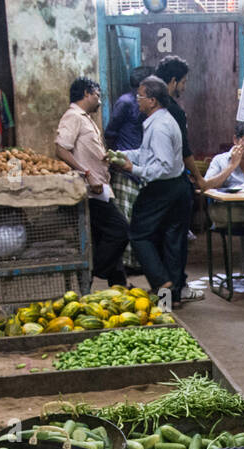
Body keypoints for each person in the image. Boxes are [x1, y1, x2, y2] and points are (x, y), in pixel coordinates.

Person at [110, 76, 186, 302]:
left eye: (140, 96)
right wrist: (123, 155)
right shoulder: (159, 121)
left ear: (152, 100)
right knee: (170, 241)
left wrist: (134, 169)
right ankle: (169, 299)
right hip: (176, 187)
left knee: (139, 234)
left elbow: (162, 166)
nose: (137, 100)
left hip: (163, 188)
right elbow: (147, 153)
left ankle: (162, 283)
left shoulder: (160, 127)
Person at [55, 77, 128, 288]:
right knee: (120, 230)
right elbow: (61, 149)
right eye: (98, 95)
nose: (100, 101)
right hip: (89, 190)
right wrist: (86, 172)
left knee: (101, 237)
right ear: (87, 93)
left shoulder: (85, 118)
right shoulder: (73, 116)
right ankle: (94, 269)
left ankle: (119, 287)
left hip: (101, 188)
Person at [154, 55, 205, 304]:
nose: (184, 87)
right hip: (174, 185)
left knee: (163, 241)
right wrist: (198, 179)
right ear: (173, 81)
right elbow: (185, 151)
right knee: (175, 241)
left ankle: (168, 294)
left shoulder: (152, 109)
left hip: (156, 186)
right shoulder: (173, 111)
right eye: (183, 82)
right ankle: (172, 295)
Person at [106, 66, 154, 275]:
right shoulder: (125, 102)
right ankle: (125, 263)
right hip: (125, 168)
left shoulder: (150, 106)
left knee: (140, 215)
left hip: (142, 167)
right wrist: (114, 160)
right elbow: (111, 132)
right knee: (125, 216)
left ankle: (139, 260)